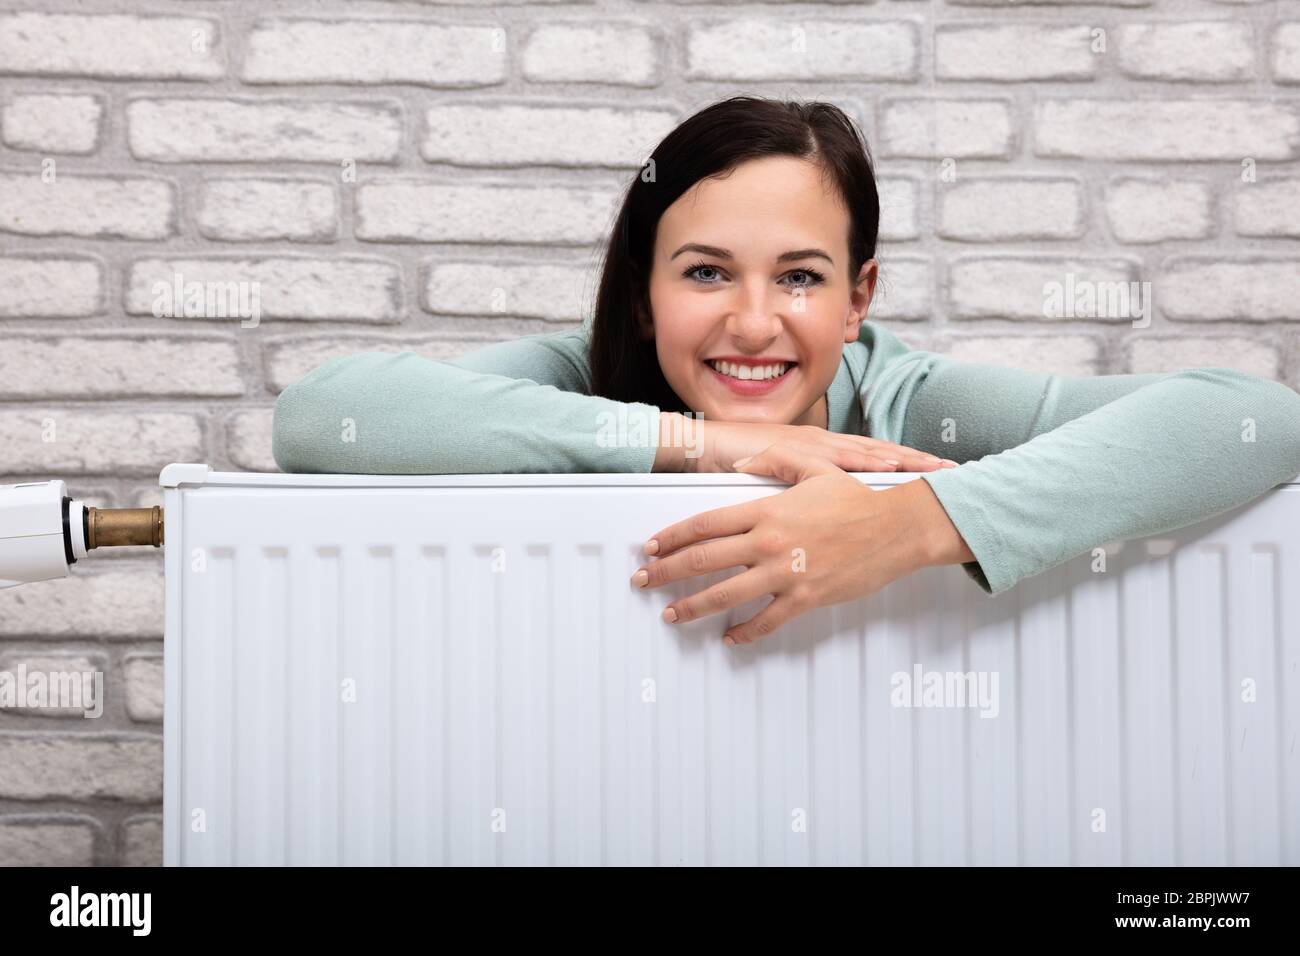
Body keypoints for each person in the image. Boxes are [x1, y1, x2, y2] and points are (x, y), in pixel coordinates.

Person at [272, 96, 1300, 646]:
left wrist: (904, 522)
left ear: (858, 299)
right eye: (706, 271)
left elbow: (1256, 417)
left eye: (801, 277)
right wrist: (712, 441)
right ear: (644, 291)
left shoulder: (908, 403)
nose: (752, 322)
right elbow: (323, 414)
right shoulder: (580, 373)